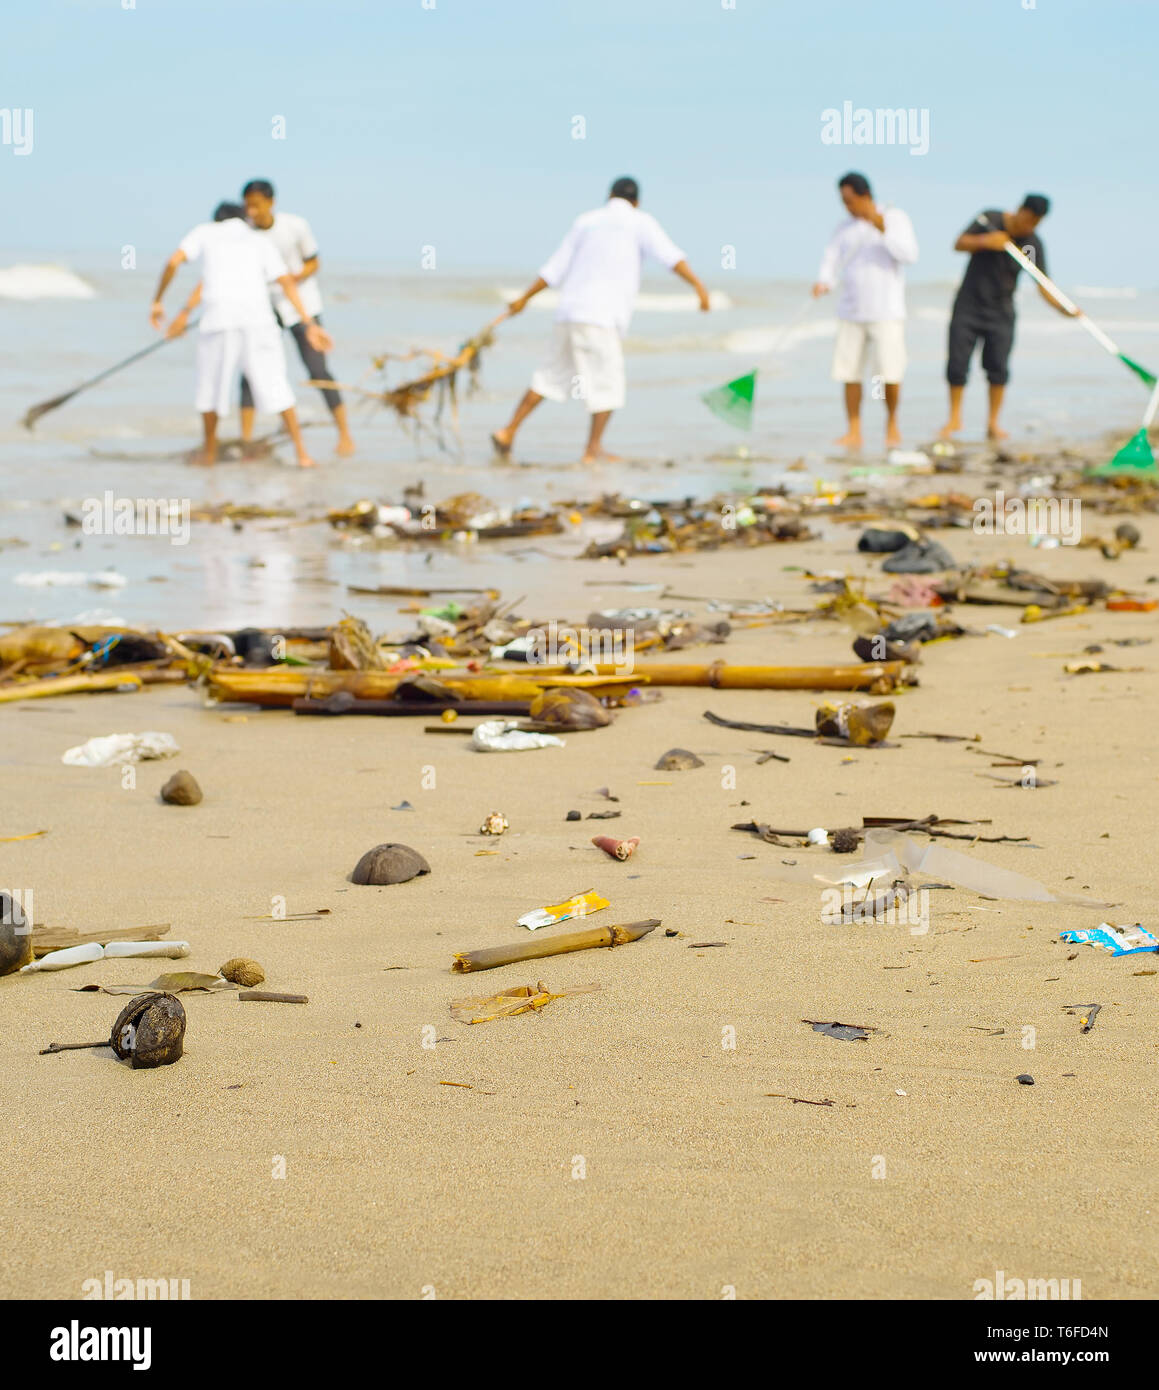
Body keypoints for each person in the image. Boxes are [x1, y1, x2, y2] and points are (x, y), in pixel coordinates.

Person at [491, 176, 710, 464]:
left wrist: (524, 298)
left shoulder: (586, 221)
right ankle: (592, 449)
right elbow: (671, 258)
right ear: (637, 201)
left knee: (549, 377)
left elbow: (554, 268)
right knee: (607, 384)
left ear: (609, 195)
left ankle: (508, 430)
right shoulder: (640, 222)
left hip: (569, 312)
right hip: (600, 316)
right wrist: (699, 287)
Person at [149, 202, 333, 467]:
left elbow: (173, 262)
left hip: (218, 320)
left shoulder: (206, 232)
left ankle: (209, 455)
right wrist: (309, 324)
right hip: (259, 321)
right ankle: (302, 454)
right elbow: (285, 282)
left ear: (217, 220)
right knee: (276, 385)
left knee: (210, 389)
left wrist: (160, 302)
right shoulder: (258, 239)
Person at [939, 194, 1078, 441]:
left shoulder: (1031, 244)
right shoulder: (990, 219)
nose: (1029, 227)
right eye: (1028, 220)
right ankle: (954, 419)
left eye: (1036, 223)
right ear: (1019, 210)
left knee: (998, 368)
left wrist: (1064, 308)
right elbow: (958, 244)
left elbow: (1043, 284)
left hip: (1001, 311)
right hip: (968, 306)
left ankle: (993, 423)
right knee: (957, 365)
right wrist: (985, 241)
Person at [812, 172, 918, 450]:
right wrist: (824, 281)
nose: (847, 207)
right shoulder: (844, 228)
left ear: (864, 195)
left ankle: (892, 423)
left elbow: (909, 255)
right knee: (849, 373)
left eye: (849, 201)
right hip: (851, 310)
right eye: (843, 202)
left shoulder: (895, 218)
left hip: (887, 311)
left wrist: (882, 227)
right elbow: (831, 259)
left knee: (889, 373)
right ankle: (854, 430)